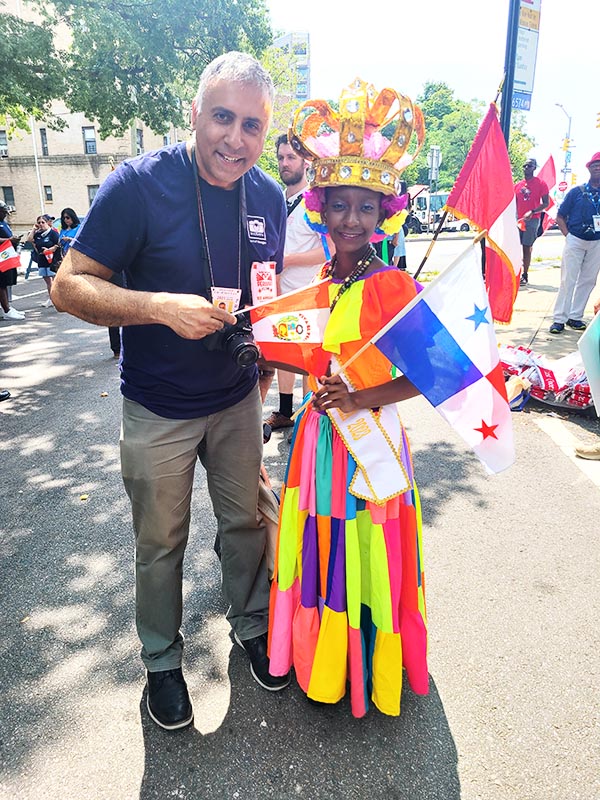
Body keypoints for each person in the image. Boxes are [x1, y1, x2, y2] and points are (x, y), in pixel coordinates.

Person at [52, 51, 289, 731]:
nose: (234, 138)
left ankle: (251, 623)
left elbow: (263, 304)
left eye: (251, 125)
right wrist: (158, 306)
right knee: (161, 542)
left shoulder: (268, 196)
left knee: (246, 524)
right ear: (194, 112)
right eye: (222, 116)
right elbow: (69, 284)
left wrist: (269, 384)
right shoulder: (138, 185)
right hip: (157, 405)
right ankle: (161, 661)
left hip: (237, 399)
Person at [267, 79, 429, 718]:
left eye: (366, 207)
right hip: (318, 442)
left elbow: (429, 375)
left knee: (362, 540)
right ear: (321, 210)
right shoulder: (321, 282)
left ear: (383, 213)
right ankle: (325, 663)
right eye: (340, 206)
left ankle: (363, 663)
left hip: (370, 439)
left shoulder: (393, 286)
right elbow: (303, 358)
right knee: (321, 537)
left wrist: (364, 397)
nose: (352, 219)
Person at [263, 133, 333, 432]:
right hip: (280, 294)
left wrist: (288, 259)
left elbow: (329, 249)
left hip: (309, 296)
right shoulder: (276, 200)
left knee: (309, 360)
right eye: (280, 157)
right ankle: (284, 412)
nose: (284, 163)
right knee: (282, 355)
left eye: (291, 157)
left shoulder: (314, 204)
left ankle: (307, 418)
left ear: (305, 161)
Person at [549, 153, 600, 334]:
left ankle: (575, 317)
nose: (598, 168)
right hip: (576, 239)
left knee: (588, 281)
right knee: (568, 279)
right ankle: (559, 319)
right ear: (589, 168)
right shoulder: (576, 192)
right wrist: (568, 235)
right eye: (595, 165)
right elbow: (560, 216)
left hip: (597, 243)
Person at [514, 158, 549, 286]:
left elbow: (546, 203)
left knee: (526, 247)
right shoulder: (517, 186)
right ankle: (516, 272)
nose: (526, 168)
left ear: (534, 167)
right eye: (524, 165)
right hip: (518, 220)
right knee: (515, 246)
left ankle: (525, 275)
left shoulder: (541, 184)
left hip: (532, 220)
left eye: (529, 166)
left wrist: (533, 211)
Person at [27, 215, 61, 307]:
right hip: (42, 259)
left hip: (51, 260)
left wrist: (51, 249)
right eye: (39, 223)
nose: (41, 224)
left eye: (43, 222)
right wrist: (34, 230)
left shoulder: (53, 233)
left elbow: (59, 244)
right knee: (47, 281)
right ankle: (51, 299)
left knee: (54, 280)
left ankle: (58, 299)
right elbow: (29, 239)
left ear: (47, 223)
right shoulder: (38, 234)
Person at [0, 202, 25, 321]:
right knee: (1, 284)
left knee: (6, 283)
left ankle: (7, 308)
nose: (5, 214)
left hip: (6, 256)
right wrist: (9, 239)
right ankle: (6, 310)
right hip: (1, 257)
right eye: (3, 211)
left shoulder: (3, 223)